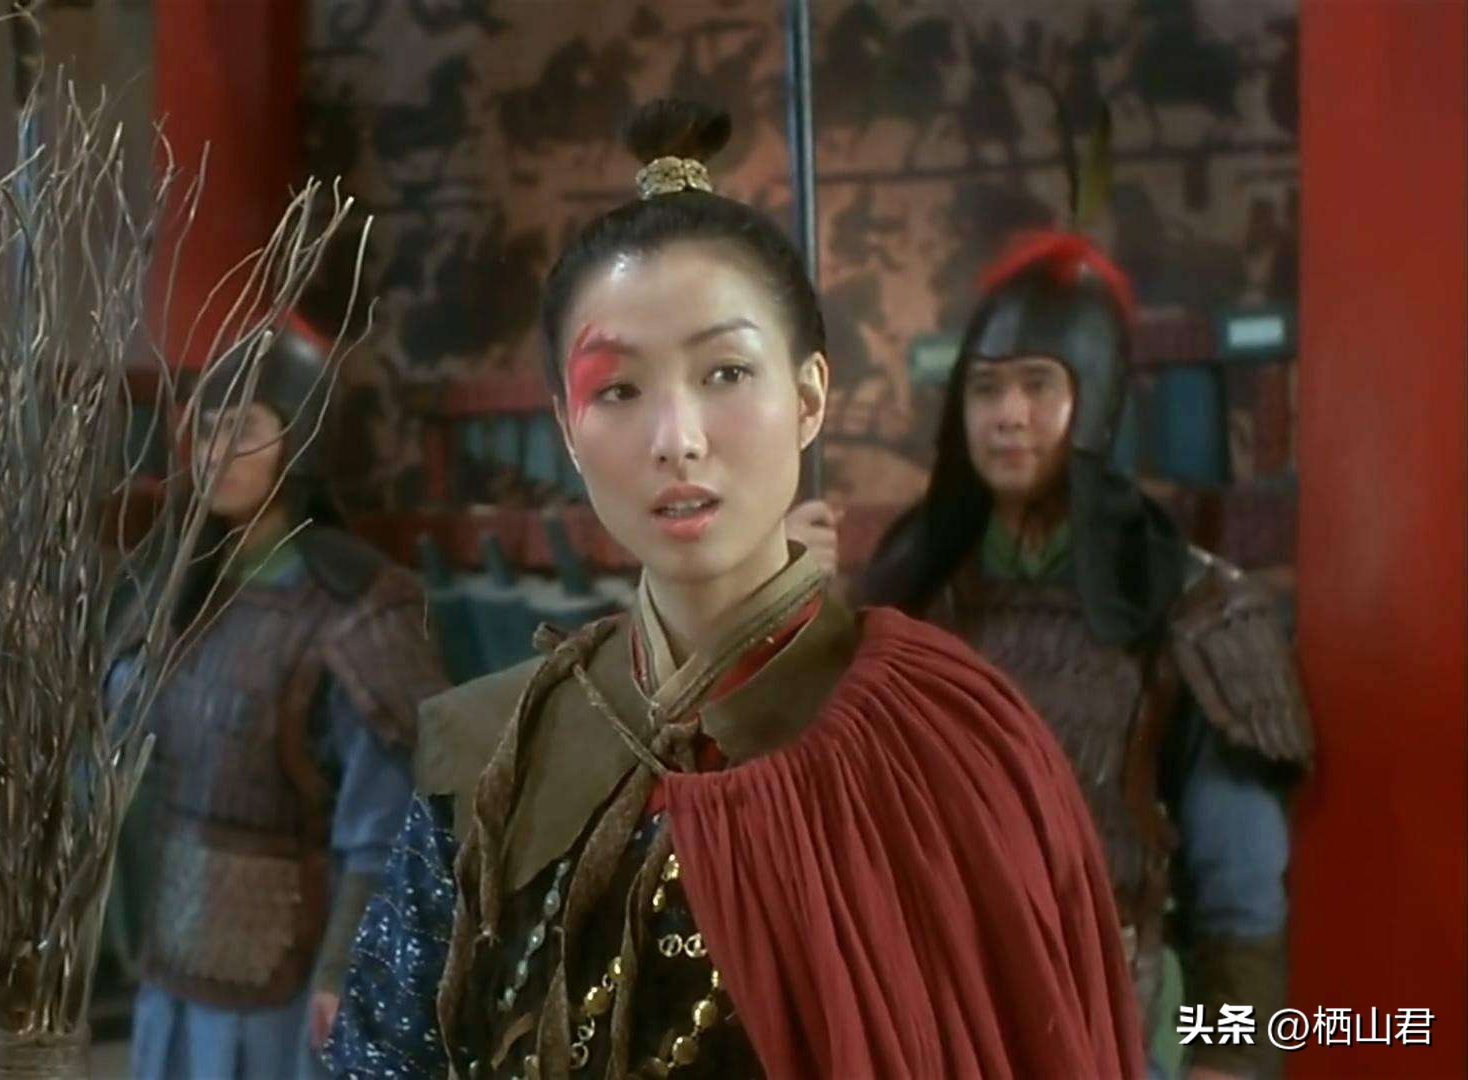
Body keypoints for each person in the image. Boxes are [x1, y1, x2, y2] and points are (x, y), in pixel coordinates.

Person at [326, 100, 1141, 1079]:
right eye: (618, 390)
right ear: (569, 430)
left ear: (810, 397)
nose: (677, 438)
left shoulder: (951, 738)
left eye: (724, 373)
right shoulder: (489, 762)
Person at [858, 232, 1314, 1079]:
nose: (1008, 414)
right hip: (914, 1035)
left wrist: (1227, 1064)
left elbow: (1241, 899)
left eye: (1038, 385)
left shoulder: (1195, 609)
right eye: (986, 387)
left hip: (1104, 1041)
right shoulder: (906, 592)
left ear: (1095, 397)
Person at [110, 326, 448, 1080]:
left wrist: (344, 966)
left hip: (294, 970)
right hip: (175, 943)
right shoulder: (174, 594)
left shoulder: (357, 607)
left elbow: (389, 821)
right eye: (208, 429)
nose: (218, 451)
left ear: (299, 438)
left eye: (244, 428)